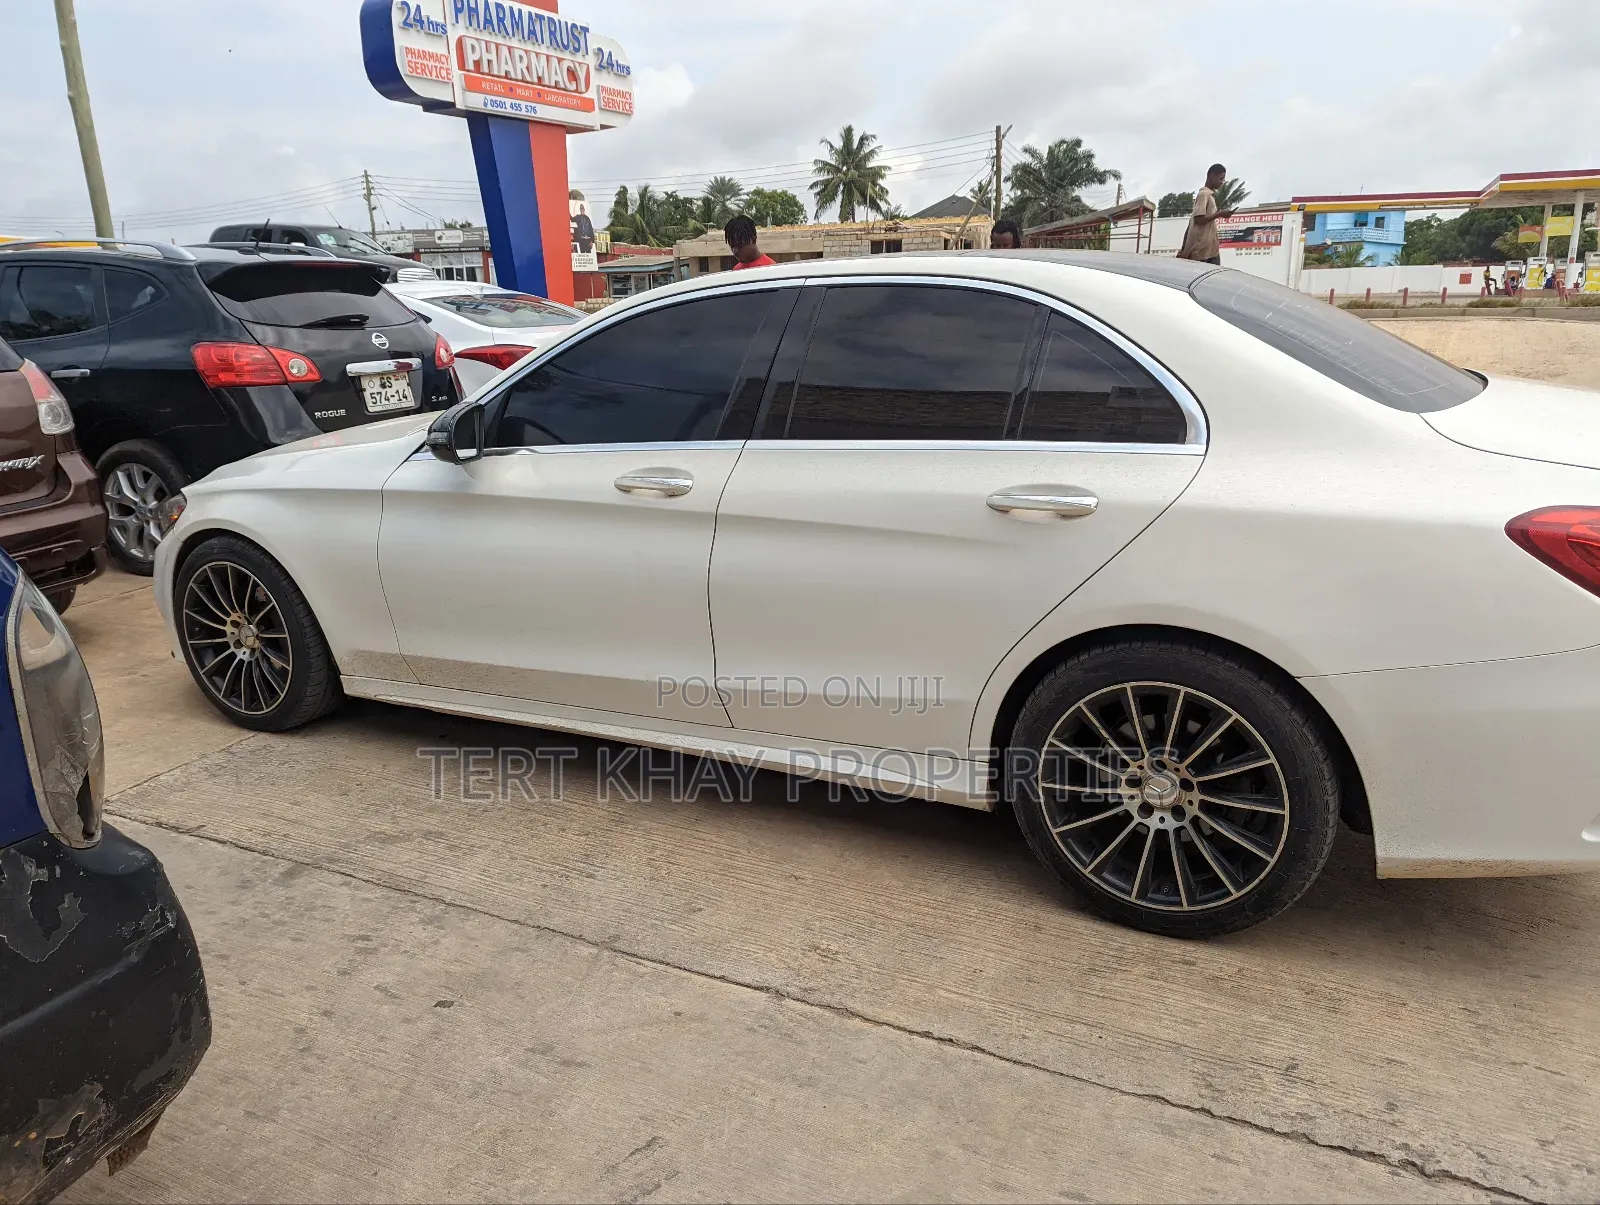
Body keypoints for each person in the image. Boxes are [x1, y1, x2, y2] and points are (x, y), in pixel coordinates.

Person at [1177, 163, 1233, 264]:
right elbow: (1198, 220)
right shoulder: (1204, 194)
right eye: (1221, 179)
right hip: (1201, 253)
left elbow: (1191, 223)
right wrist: (1220, 214)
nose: (1222, 182)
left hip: (1211, 251)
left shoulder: (1210, 195)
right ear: (1211, 176)